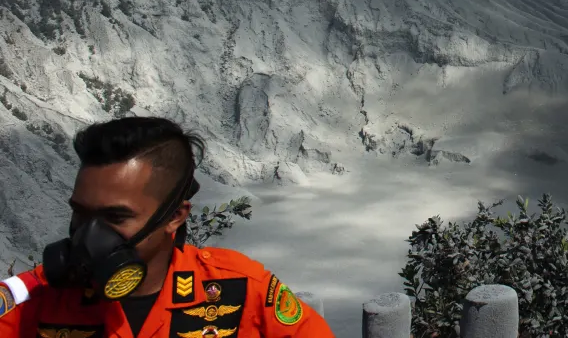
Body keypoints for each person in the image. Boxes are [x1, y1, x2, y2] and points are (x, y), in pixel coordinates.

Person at [0, 116, 335, 338]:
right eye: (81, 214)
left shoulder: (242, 289)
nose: (89, 235)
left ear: (175, 216)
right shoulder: (36, 297)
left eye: (116, 218)